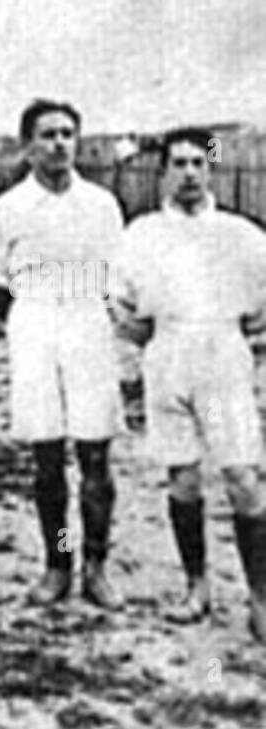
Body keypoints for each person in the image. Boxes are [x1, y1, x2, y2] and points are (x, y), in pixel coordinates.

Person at [115, 127, 266, 641]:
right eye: (177, 163)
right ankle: (196, 586)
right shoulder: (141, 235)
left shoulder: (242, 235)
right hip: (168, 351)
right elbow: (122, 305)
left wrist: (244, 348)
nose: (188, 173)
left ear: (211, 168)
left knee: (243, 478)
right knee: (182, 478)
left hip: (223, 353)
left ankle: (261, 597)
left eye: (197, 163)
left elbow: (264, 312)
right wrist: (151, 341)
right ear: (162, 171)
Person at [0, 99, 126, 609]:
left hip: (88, 322)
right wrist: (31, 321)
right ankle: (57, 562)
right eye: (48, 134)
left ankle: (97, 566)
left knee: (94, 454)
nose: (59, 143)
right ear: (28, 144)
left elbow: (117, 276)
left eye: (68, 133)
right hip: (36, 324)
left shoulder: (102, 205)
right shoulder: (5, 210)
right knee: (47, 459)